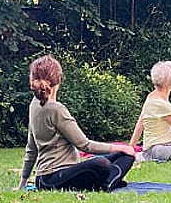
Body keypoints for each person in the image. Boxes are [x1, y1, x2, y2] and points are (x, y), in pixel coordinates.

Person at [19, 56, 135, 191]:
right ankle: (107, 183)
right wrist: (119, 147)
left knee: (124, 155)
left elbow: (31, 148)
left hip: (45, 179)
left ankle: (106, 181)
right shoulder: (57, 109)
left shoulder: (34, 106)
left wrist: (23, 180)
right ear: (58, 80)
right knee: (103, 162)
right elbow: (84, 145)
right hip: (53, 178)